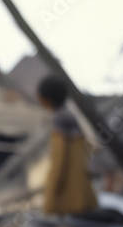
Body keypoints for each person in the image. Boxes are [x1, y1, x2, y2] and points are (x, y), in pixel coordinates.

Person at [37, 76, 98, 215]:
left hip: (69, 195)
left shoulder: (60, 120)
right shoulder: (70, 116)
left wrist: (51, 196)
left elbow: (59, 162)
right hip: (81, 189)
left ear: (46, 99)